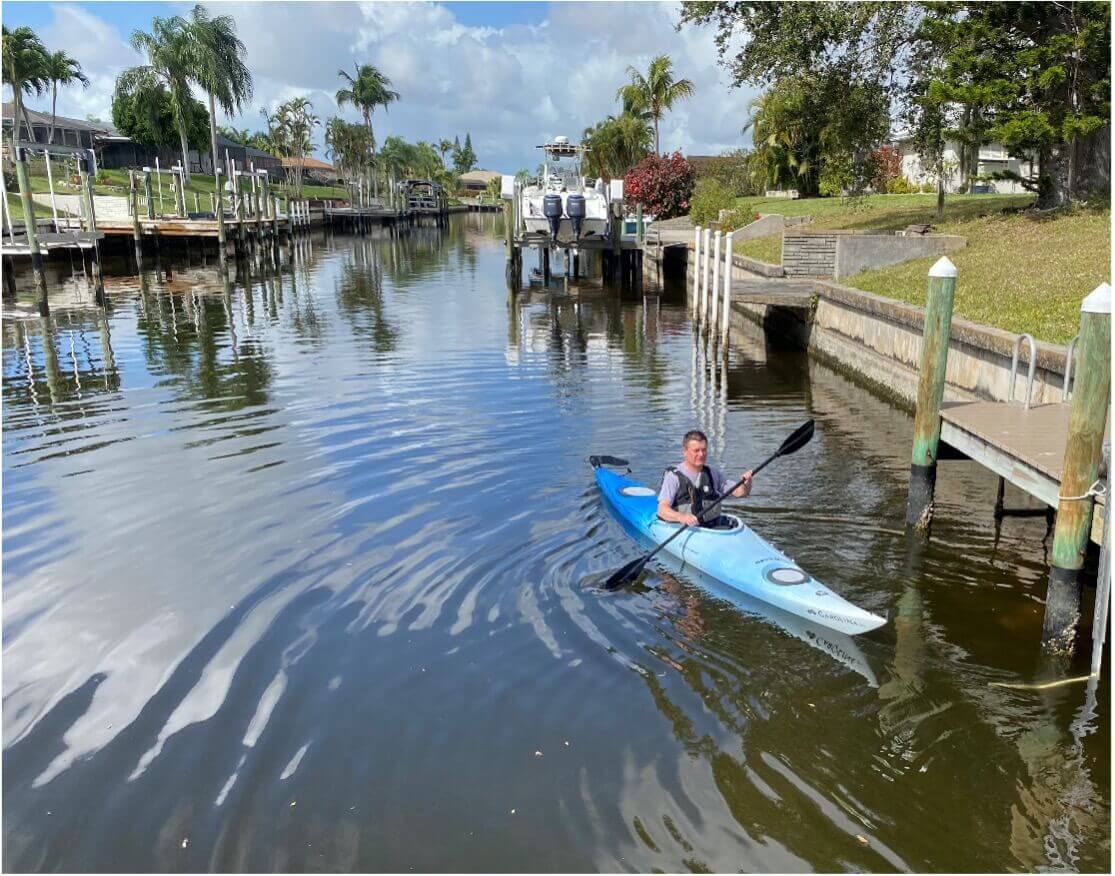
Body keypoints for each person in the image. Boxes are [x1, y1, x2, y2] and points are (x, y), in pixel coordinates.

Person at [657, 430, 753, 527]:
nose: (701, 454)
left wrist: (747, 483)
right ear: (685, 452)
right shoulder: (673, 477)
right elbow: (662, 510)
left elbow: (740, 493)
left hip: (711, 529)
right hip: (683, 529)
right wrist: (681, 517)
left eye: (704, 450)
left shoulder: (713, 474)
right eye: (696, 450)